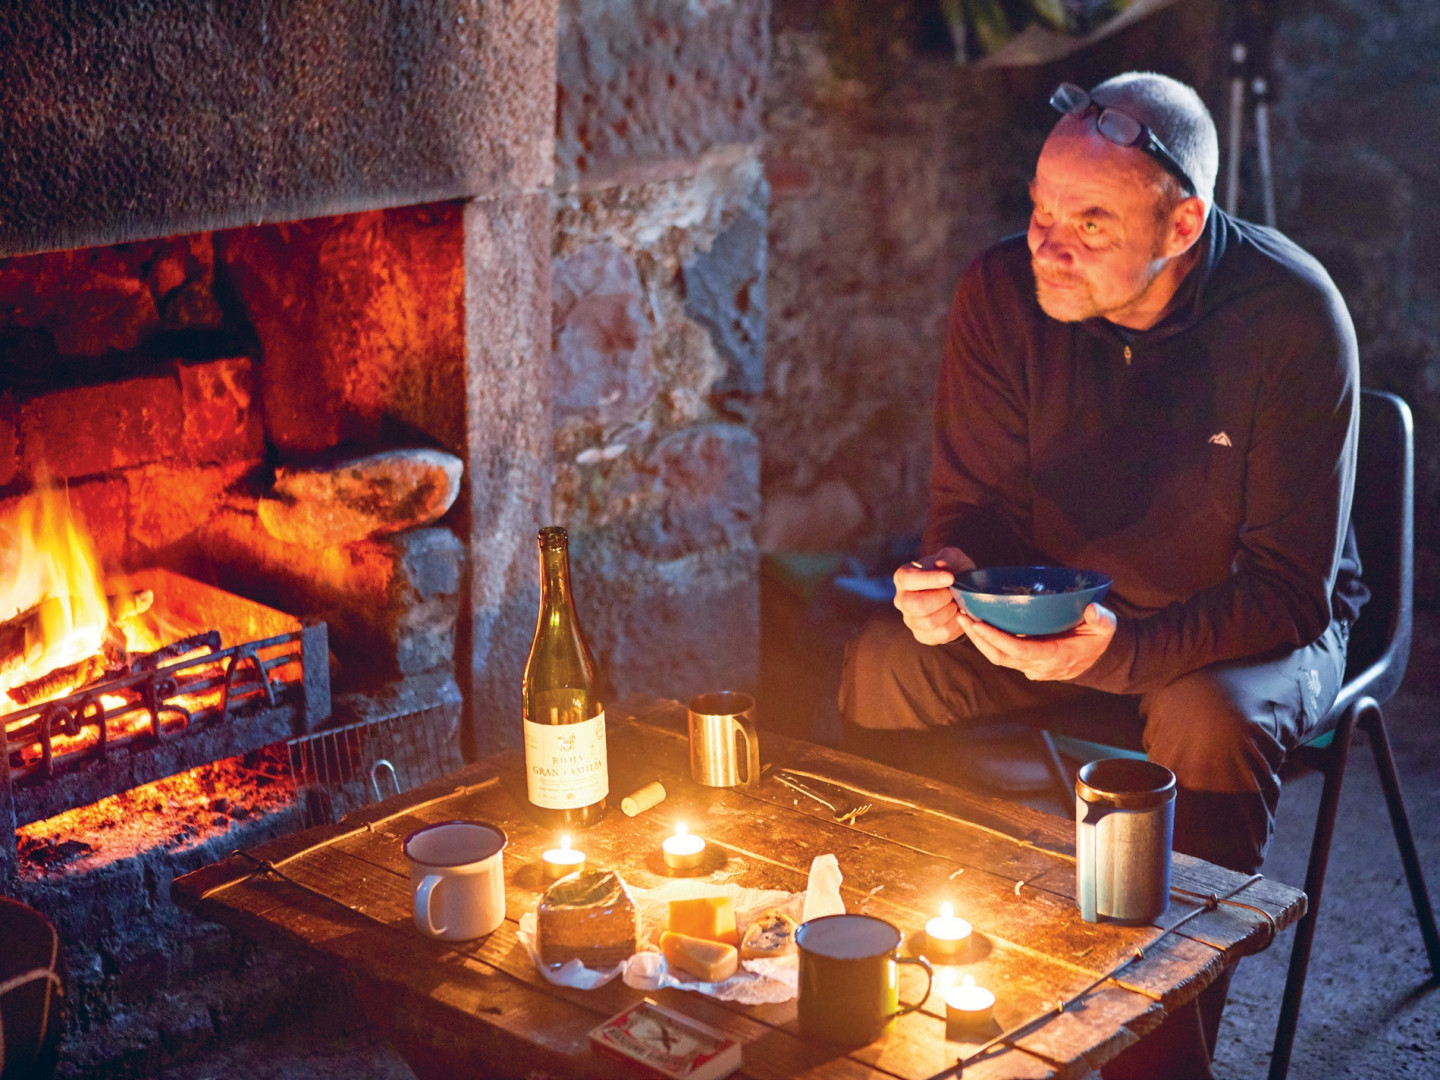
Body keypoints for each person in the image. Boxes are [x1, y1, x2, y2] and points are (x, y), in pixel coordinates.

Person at [839, 72, 1364, 1078]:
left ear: (1181, 225)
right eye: (1040, 211)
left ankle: (1163, 1044)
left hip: (1240, 629)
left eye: (1089, 221)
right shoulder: (1000, 294)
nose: (1047, 246)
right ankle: (919, 966)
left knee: (1207, 725)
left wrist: (1128, 653)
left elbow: (1293, 591)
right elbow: (972, 509)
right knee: (883, 663)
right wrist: (951, 574)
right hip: (1061, 608)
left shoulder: (1291, 320)